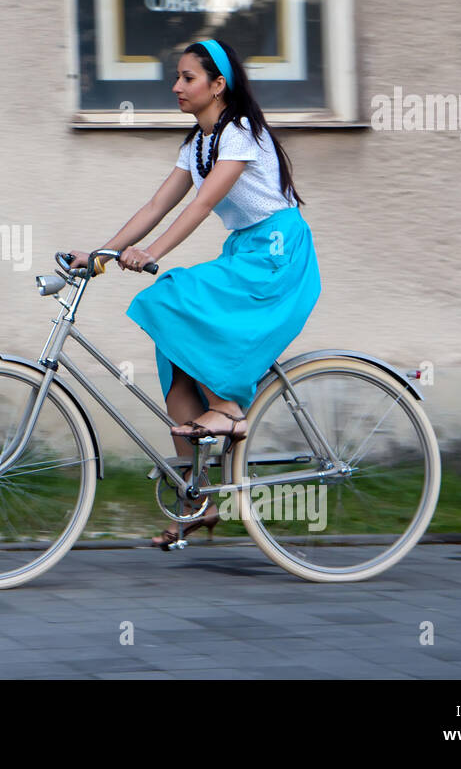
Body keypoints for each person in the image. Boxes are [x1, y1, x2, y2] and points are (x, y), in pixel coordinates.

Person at [68, 39, 321, 550]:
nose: (177, 86)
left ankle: (227, 409)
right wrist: (100, 254)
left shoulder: (241, 134)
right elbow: (157, 203)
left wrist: (152, 253)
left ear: (218, 85)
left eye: (187, 78)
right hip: (245, 253)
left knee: (169, 294)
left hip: (276, 254)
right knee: (177, 364)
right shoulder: (197, 143)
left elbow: (202, 205)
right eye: (177, 77)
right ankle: (198, 501)